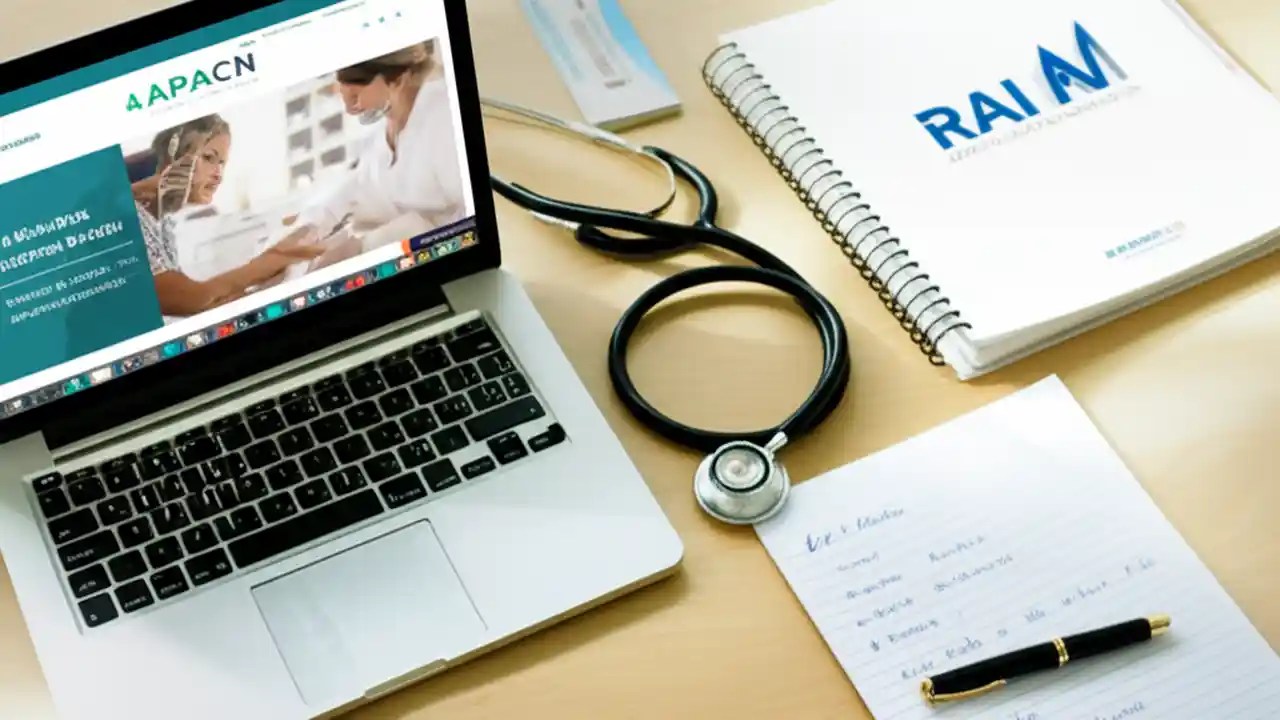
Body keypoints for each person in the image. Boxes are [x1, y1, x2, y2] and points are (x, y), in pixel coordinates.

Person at [131, 115, 321, 317]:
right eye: (209, 158)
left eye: (222, 163)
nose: (218, 174)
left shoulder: (164, 223)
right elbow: (192, 298)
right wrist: (273, 260)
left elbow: (200, 305)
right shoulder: (133, 218)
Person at [291, 41, 466, 259]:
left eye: (355, 96)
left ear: (398, 80)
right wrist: (310, 225)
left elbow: (467, 222)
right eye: (343, 96)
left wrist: (370, 245)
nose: (349, 109)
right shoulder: (382, 137)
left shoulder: (443, 117)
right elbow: (354, 189)